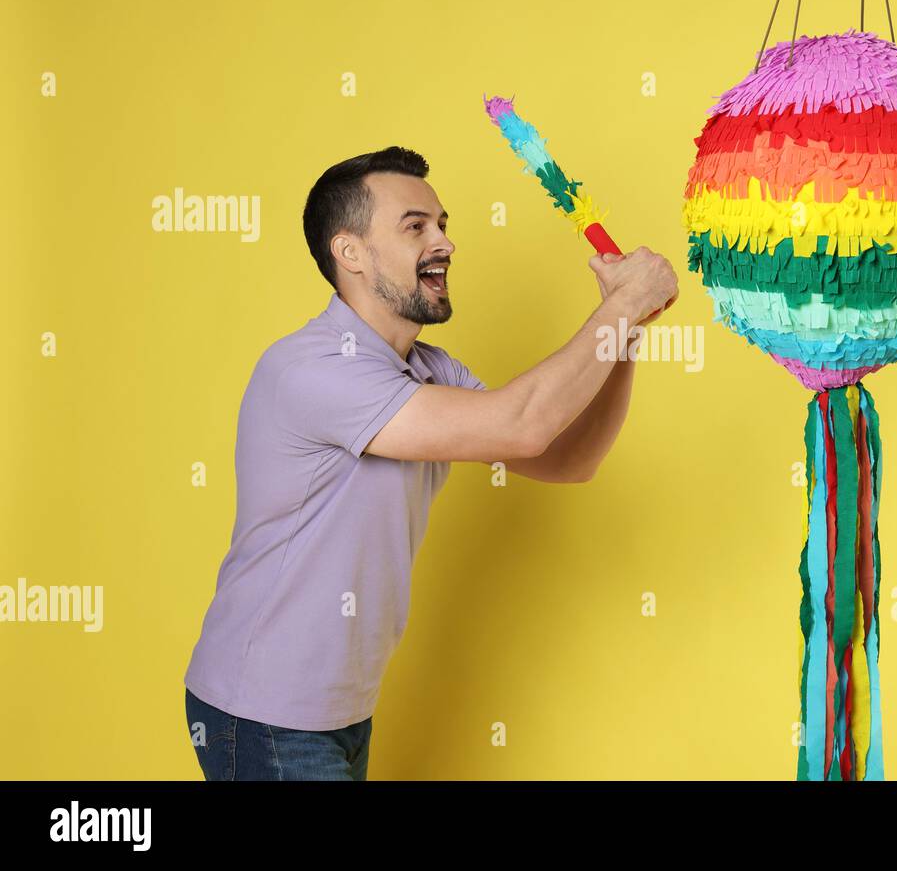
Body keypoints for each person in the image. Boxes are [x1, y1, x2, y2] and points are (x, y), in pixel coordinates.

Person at [183, 146, 678, 780]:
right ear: (351, 253)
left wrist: (625, 331)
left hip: (339, 708)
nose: (443, 242)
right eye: (415, 226)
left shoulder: (428, 370)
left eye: (443, 223)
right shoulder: (311, 368)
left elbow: (567, 457)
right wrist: (620, 307)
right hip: (263, 713)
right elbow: (521, 424)